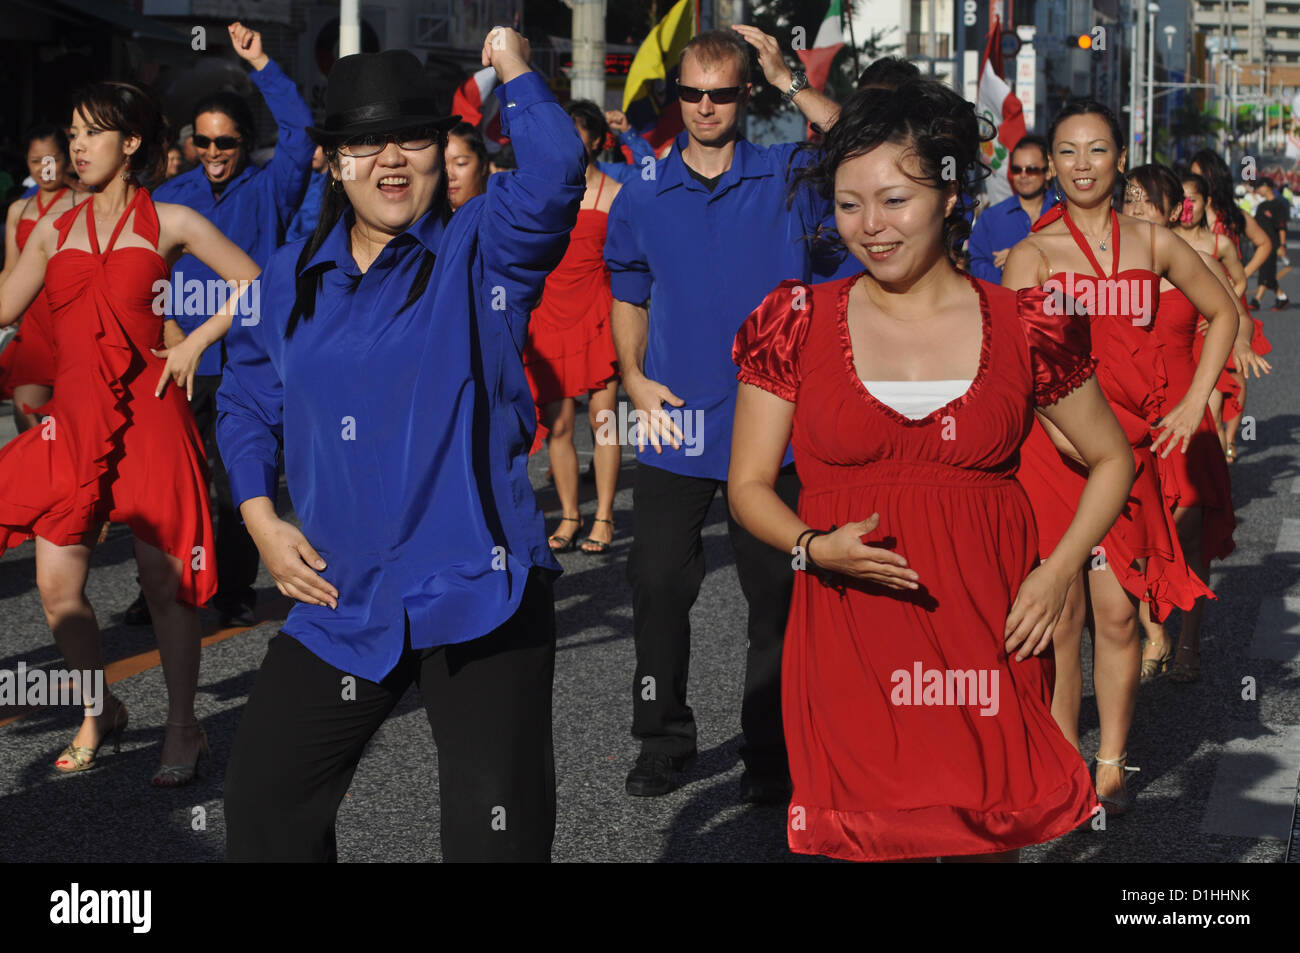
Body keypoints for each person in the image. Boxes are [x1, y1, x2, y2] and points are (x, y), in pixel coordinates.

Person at [728, 77, 1134, 862]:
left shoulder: (1025, 324)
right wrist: (812, 545)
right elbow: (747, 485)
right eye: (849, 206)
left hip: (987, 630)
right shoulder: (795, 321)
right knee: (869, 839)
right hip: (850, 631)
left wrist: (1056, 574)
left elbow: (1111, 458)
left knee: (987, 837)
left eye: (893, 200)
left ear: (950, 194)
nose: (870, 228)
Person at [217, 30, 585, 862]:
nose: (392, 158)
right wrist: (261, 518)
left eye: (414, 138)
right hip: (340, 598)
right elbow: (243, 399)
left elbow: (559, 173)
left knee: (495, 835)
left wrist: (516, 67)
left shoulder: (484, 248)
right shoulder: (287, 278)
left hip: (477, 589)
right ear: (334, 162)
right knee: (265, 808)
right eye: (364, 141)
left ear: (444, 152)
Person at [603, 25, 842, 802]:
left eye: (723, 93)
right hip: (675, 422)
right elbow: (627, 290)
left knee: (777, 593)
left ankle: (770, 749)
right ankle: (662, 738)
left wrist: (785, 73)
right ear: (677, 97)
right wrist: (634, 377)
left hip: (775, 427)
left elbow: (863, 145)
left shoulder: (790, 177)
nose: (705, 107)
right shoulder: (640, 190)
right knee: (659, 586)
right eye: (691, 93)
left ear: (745, 97)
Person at [0, 80, 259, 786]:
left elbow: (253, 280)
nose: (77, 145)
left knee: (163, 580)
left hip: (149, 409)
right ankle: (99, 708)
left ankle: (183, 725)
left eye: (92, 133)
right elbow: (3, 307)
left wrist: (194, 343)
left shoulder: (169, 220)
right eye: (73, 133)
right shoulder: (51, 226)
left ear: (132, 142)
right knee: (57, 587)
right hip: (74, 416)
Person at [1001, 100, 1239, 815]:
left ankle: (1111, 763)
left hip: (1132, 451)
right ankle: (1058, 757)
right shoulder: (1033, 253)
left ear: (1119, 157)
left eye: (1096, 151)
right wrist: (1073, 437)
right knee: (1062, 611)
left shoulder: (1153, 241)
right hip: (1054, 451)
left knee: (1115, 611)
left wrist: (1197, 400)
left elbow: (1223, 311)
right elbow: (1021, 365)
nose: (1079, 166)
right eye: (1066, 152)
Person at [145, 21, 315, 630]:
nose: (215, 153)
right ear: (192, 142)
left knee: (239, 478)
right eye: (206, 142)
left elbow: (300, 132)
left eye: (228, 143)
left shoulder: (271, 188)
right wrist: (165, 328)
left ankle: (236, 587)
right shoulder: (175, 194)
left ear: (245, 144)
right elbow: (150, 269)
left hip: (246, 356)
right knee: (167, 479)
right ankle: (159, 584)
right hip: (178, 354)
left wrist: (263, 63)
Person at [1121, 165, 1265, 683]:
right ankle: (1153, 631)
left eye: (1148, 200)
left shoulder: (1197, 261)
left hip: (1188, 412)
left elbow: (1235, 315)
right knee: (1131, 533)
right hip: (1129, 414)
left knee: (1192, 535)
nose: (1137, 209)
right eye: (1129, 198)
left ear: (1172, 210)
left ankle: (1188, 642)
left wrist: (1239, 345)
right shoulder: (1108, 267)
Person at [522, 100, 621, 554]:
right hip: (549, 316)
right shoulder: (539, 190)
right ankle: (569, 515)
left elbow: (631, 261)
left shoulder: (618, 194)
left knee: (604, 422)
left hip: (600, 313)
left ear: (598, 141)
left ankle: (603, 516)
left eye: (579, 135)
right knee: (559, 426)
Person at [0, 125, 89, 432]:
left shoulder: (83, 202)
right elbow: (10, 270)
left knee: (72, 423)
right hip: (34, 329)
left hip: (73, 323)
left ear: (66, 160)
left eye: (51, 159)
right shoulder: (18, 209)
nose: (44, 168)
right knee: (27, 416)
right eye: (36, 160)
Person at [967, 135, 1058, 283]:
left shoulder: (1066, 213)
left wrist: (1020, 259)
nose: (1023, 175)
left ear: (1048, 172)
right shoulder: (990, 218)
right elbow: (977, 267)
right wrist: (1011, 278)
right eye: (1016, 169)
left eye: (1031, 169)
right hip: (1005, 302)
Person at [1251, 178, 1289, 310]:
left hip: (1272, 245)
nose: (1257, 190)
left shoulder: (1278, 206)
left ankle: (1257, 300)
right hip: (1259, 245)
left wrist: (1282, 246)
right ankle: (1281, 297)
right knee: (1267, 273)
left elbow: (1282, 227)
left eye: (1259, 187)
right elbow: (1253, 225)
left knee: (1266, 272)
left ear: (1266, 187)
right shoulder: (1261, 206)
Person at [285, 144, 329, 242]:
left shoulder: (334, 184)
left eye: (317, 147)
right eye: (310, 147)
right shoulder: (305, 179)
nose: (312, 152)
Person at [445, 122, 489, 212]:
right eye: (441, 165)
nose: (449, 175)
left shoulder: (499, 219)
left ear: (483, 165)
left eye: (460, 163)